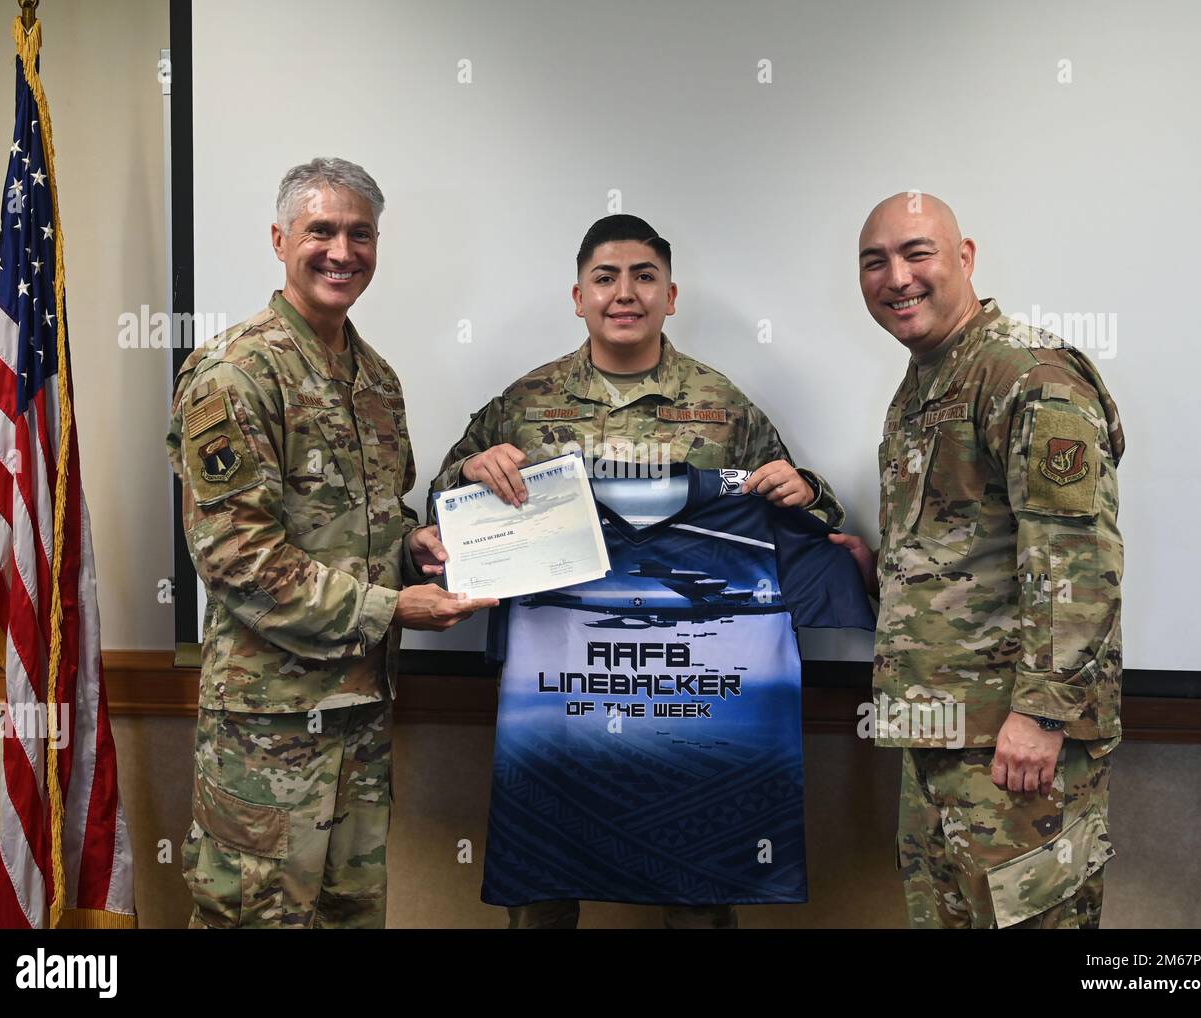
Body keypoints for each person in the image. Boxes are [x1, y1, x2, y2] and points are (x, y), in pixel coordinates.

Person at [430, 213, 845, 929]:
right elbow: (443, 509)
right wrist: (468, 468)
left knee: (699, 886)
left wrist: (806, 490)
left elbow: (810, 516)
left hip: (697, 698)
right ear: (578, 295)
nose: (625, 293)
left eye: (644, 277)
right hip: (557, 693)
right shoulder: (524, 403)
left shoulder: (722, 405)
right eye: (606, 277)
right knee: (543, 886)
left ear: (671, 295)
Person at [166, 157, 495, 928]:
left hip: (360, 716)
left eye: (360, 233)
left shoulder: (375, 380)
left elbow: (374, 514)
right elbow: (238, 559)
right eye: (322, 230)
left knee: (350, 918)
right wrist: (391, 605)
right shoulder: (235, 372)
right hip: (268, 727)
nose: (341, 251)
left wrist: (419, 544)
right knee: (255, 920)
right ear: (280, 239)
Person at [831, 192, 1124, 929]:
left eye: (916, 252)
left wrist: (1042, 715)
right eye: (875, 261)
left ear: (964, 259)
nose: (896, 277)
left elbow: (1078, 560)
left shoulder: (1026, 375)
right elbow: (965, 551)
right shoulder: (922, 388)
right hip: (934, 736)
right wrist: (879, 571)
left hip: (1013, 749)